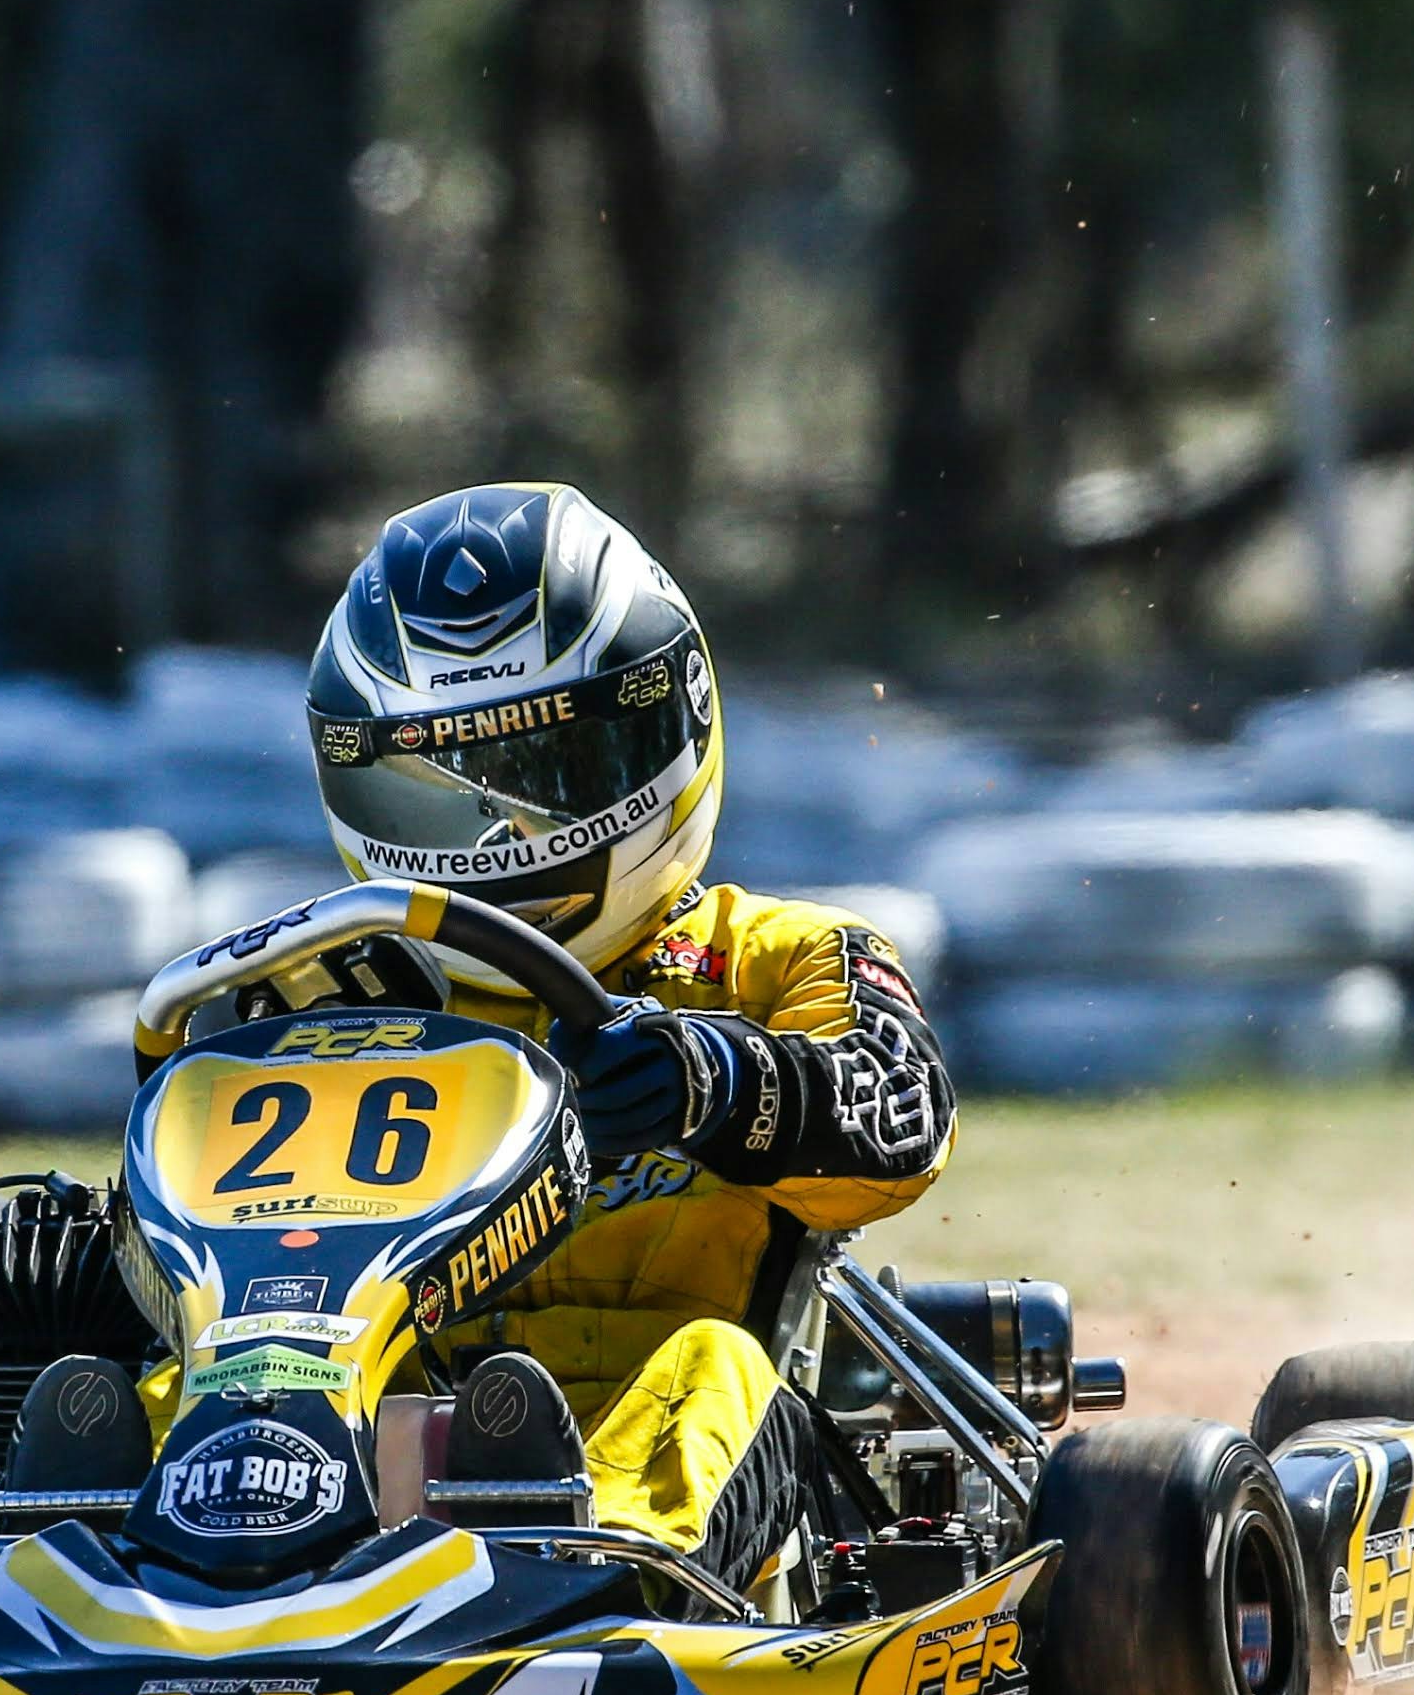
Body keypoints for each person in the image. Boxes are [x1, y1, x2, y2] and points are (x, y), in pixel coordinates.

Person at [256, 480, 954, 1597]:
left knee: (712, 1371)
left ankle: (590, 1592)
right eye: (443, 793)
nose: (503, 836)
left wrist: (722, 1080)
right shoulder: (316, 999)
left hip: (675, 1406)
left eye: (546, 776)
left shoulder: (779, 956)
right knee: (180, 1383)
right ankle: (103, 1572)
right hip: (375, 1416)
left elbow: (904, 1121)